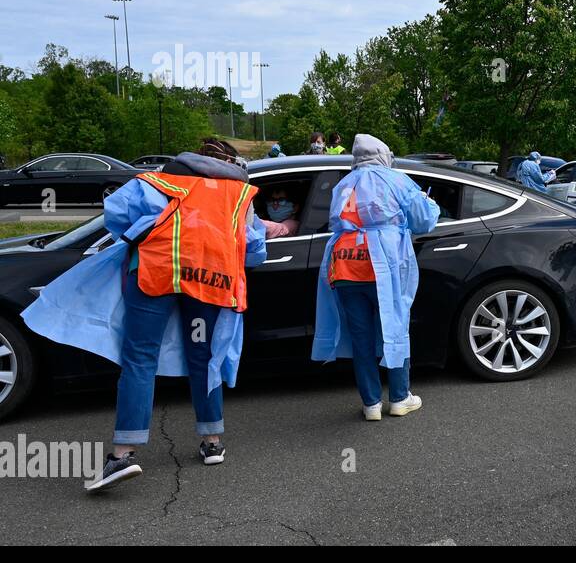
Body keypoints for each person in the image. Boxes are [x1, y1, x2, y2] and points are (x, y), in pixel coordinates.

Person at [22, 138, 266, 491]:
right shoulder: (239, 196)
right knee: (205, 358)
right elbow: (254, 250)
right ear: (230, 161)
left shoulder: (157, 181)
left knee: (139, 359)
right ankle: (212, 443)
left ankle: (122, 455)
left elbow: (116, 216)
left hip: (155, 276)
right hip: (210, 284)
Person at [312, 134, 441, 420]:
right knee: (395, 328)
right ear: (384, 154)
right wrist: (428, 204)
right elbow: (423, 221)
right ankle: (399, 397)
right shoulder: (396, 179)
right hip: (383, 263)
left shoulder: (344, 184)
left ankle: (371, 404)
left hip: (345, 264)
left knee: (361, 338)